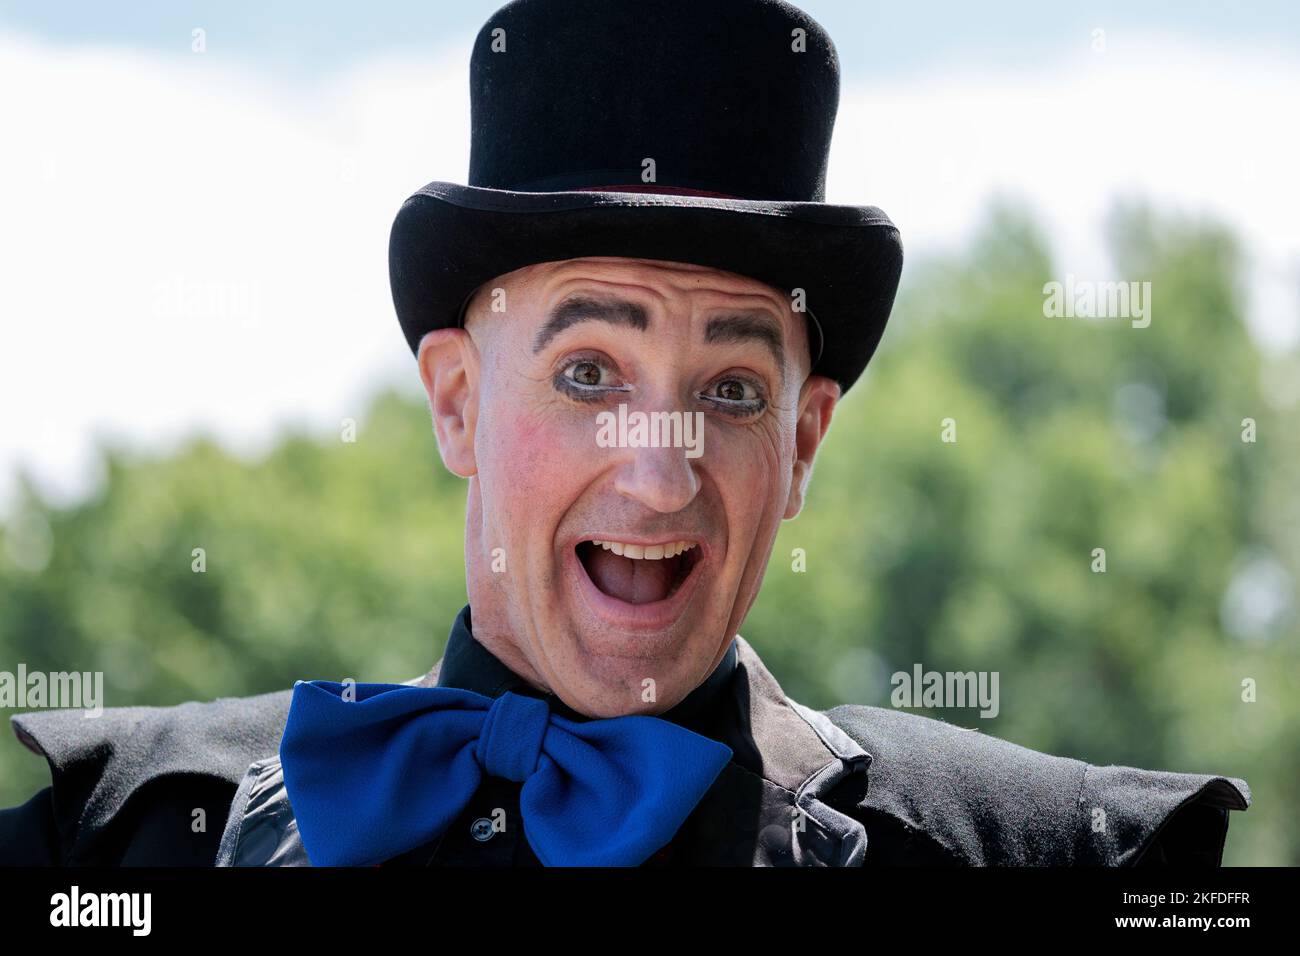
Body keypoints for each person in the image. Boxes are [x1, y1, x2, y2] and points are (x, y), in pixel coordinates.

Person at [0, 0, 1249, 867]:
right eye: (589, 369)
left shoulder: (1039, 856)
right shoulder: (126, 835)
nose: (659, 476)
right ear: (457, 403)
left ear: (805, 443)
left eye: (733, 391)